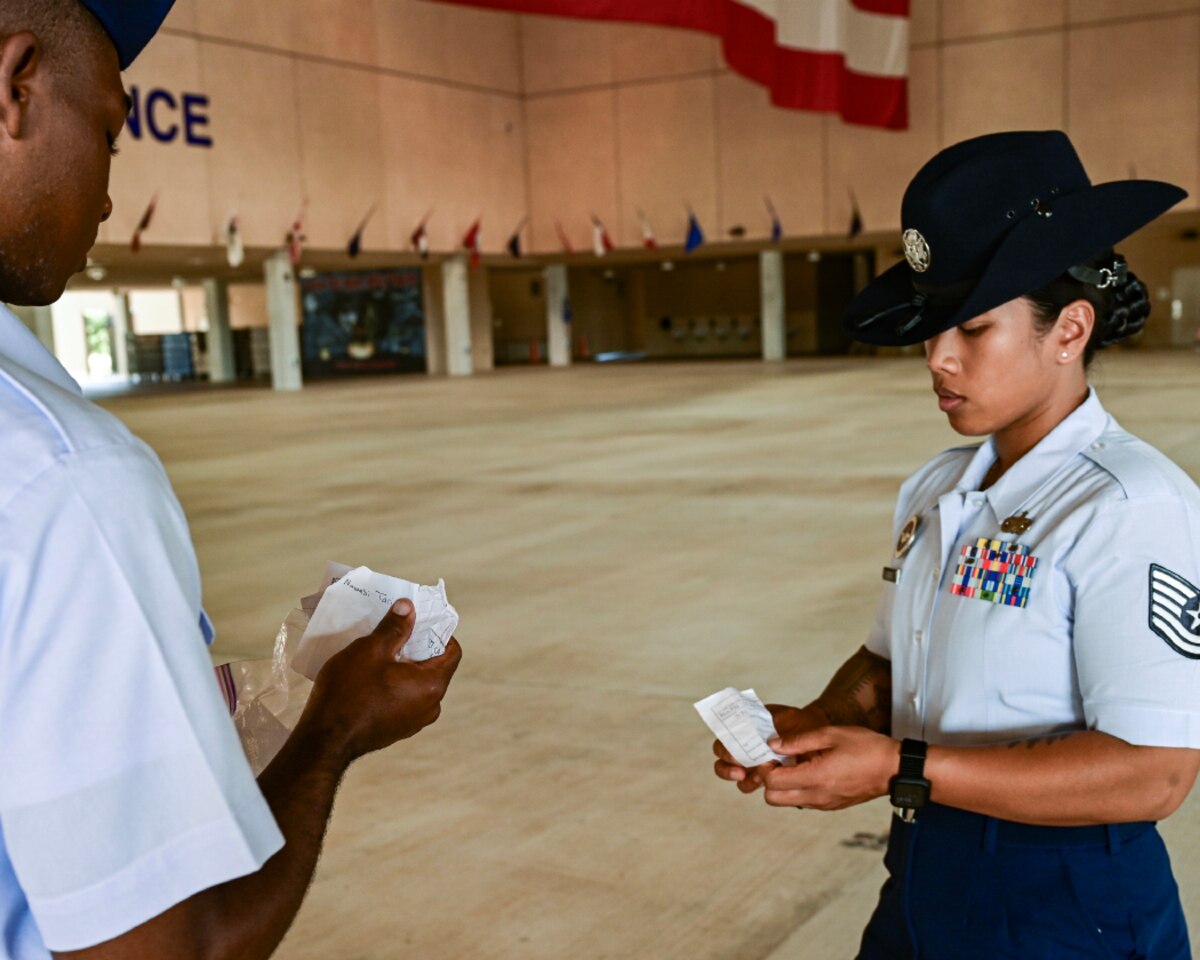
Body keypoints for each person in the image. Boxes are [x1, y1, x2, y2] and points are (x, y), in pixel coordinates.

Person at [0, 3, 462, 958]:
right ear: (15, 87)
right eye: (110, 131)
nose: (107, 201)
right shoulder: (59, 477)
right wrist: (336, 725)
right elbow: (181, 948)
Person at [712, 130, 1200, 958]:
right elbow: (890, 662)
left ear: (1069, 330)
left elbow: (1153, 773)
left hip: (1070, 901)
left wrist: (900, 768)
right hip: (925, 868)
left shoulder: (1130, 504)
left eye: (972, 328)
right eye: (936, 327)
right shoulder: (940, 484)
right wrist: (820, 724)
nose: (937, 357)